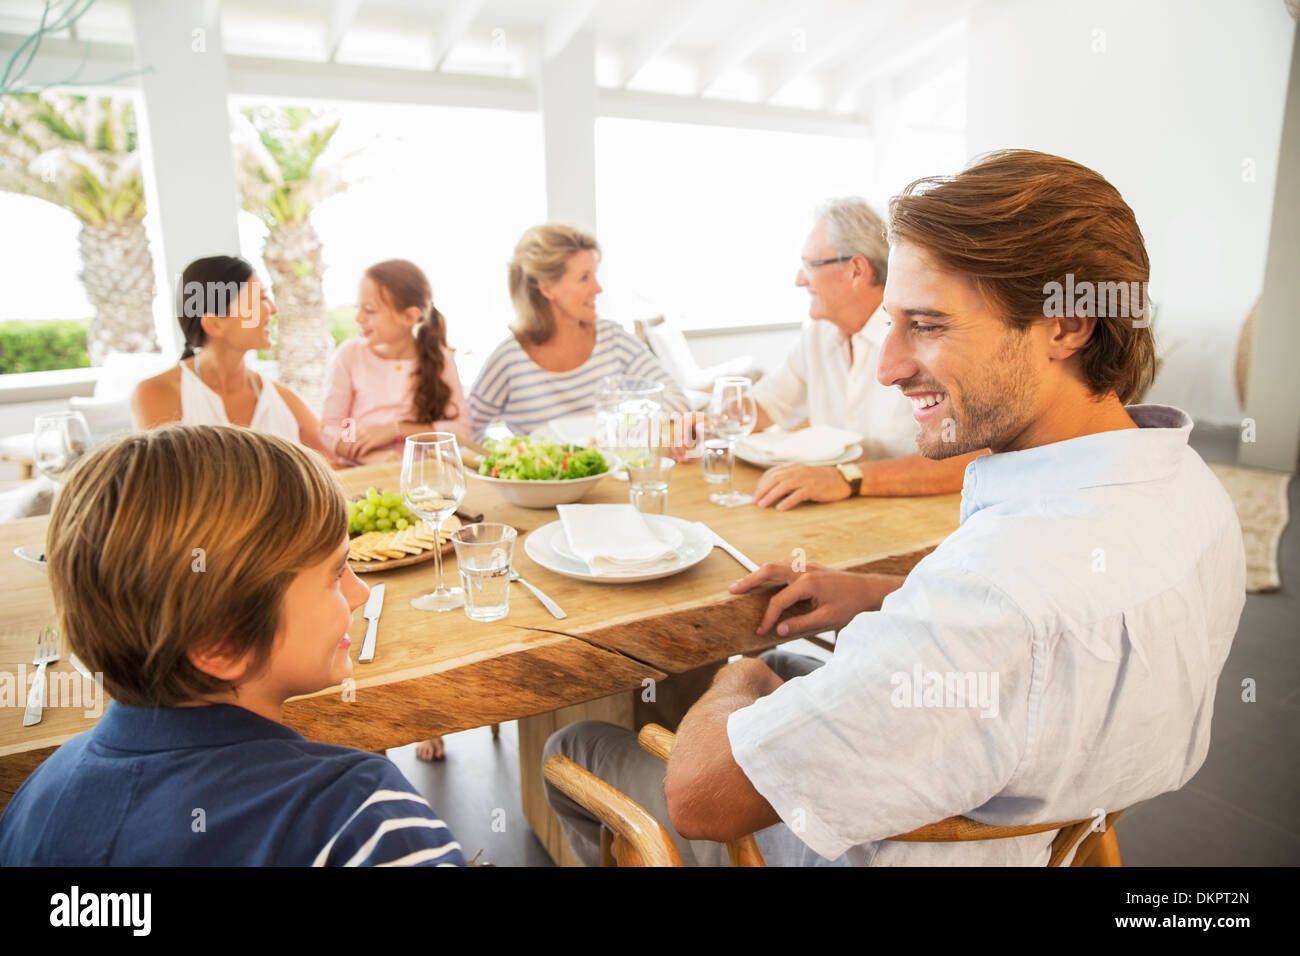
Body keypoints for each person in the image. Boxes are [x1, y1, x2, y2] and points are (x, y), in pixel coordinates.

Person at [543, 149, 1246, 866]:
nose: (889, 364)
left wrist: (738, 677)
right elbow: (1054, 637)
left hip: (895, 849)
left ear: (1066, 325)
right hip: (1046, 826)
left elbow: (700, 798)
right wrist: (885, 595)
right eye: (894, 323)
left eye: (930, 325)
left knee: (581, 745)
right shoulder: (1197, 498)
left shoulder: (995, 591)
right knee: (787, 665)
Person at [0, 425, 465, 866]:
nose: (360, 593)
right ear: (221, 643)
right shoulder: (357, 814)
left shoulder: (35, 798)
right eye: (335, 574)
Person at [712, 198, 983, 510]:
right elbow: (766, 406)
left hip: (917, 515)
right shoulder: (818, 334)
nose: (799, 280)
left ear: (857, 269)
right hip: (843, 511)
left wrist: (847, 478)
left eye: (810, 265)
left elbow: (967, 460)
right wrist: (705, 423)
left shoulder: (928, 337)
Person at [467, 224, 689, 442]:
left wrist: (622, 429)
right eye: (584, 278)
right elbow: (465, 435)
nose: (598, 288)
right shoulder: (509, 359)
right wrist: (509, 458)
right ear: (546, 288)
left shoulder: (612, 338)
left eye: (595, 275)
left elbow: (677, 400)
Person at [131, 255, 337, 464]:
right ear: (214, 324)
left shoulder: (283, 401)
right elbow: (163, 486)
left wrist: (363, 425)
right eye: (259, 299)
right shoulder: (156, 394)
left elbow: (339, 452)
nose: (273, 309)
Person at [320, 259, 470, 466]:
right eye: (358, 308)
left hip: (424, 476)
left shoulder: (440, 358)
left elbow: (461, 430)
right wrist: (364, 454)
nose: (358, 317)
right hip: (362, 474)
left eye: (370, 310)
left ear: (409, 317)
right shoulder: (350, 355)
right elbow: (332, 427)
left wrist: (395, 430)